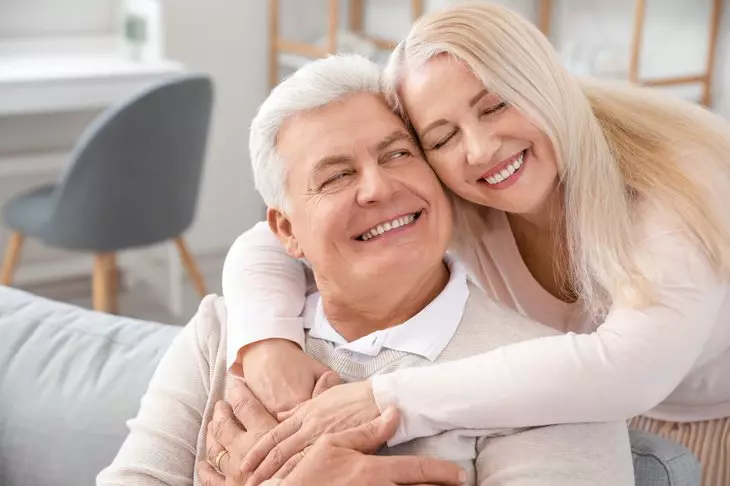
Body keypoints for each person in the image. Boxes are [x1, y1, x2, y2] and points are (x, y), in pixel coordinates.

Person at [221, 3, 730, 486]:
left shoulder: (678, 181)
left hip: (711, 414)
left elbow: (629, 372)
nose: (481, 149)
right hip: (580, 400)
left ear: (541, 82)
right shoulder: (455, 187)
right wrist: (265, 345)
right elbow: (271, 239)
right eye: (441, 137)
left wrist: (380, 400)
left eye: (496, 106)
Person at [98, 54, 634, 486]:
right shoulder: (223, 336)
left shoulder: (554, 385)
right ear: (286, 231)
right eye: (335, 176)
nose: (378, 187)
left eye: (399, 154)